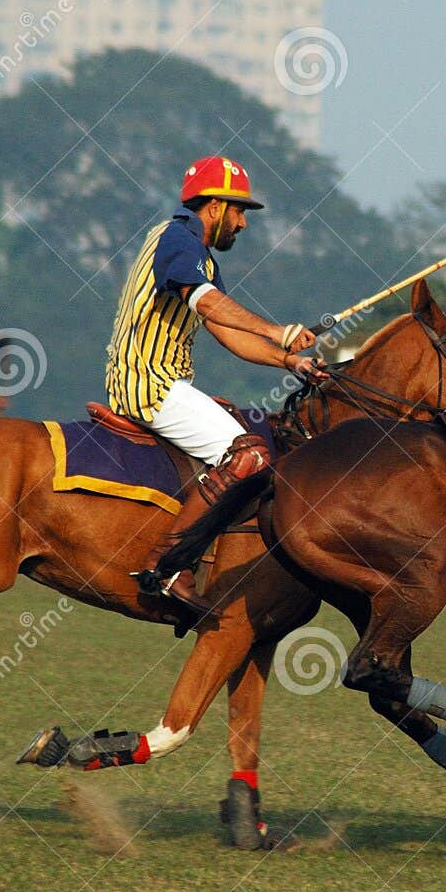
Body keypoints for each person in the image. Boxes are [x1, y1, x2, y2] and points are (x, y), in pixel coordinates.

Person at [108, 155, 326, 617]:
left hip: (164, 383)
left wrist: (291, 361)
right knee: (250, 454)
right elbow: (206, 303)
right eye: (239, 210)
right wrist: (275, 329)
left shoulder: (197, 253)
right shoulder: (177, 239)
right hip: (150, 384)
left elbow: (226, 331)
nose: (243, 223)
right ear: (214, 208)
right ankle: (165, 565)